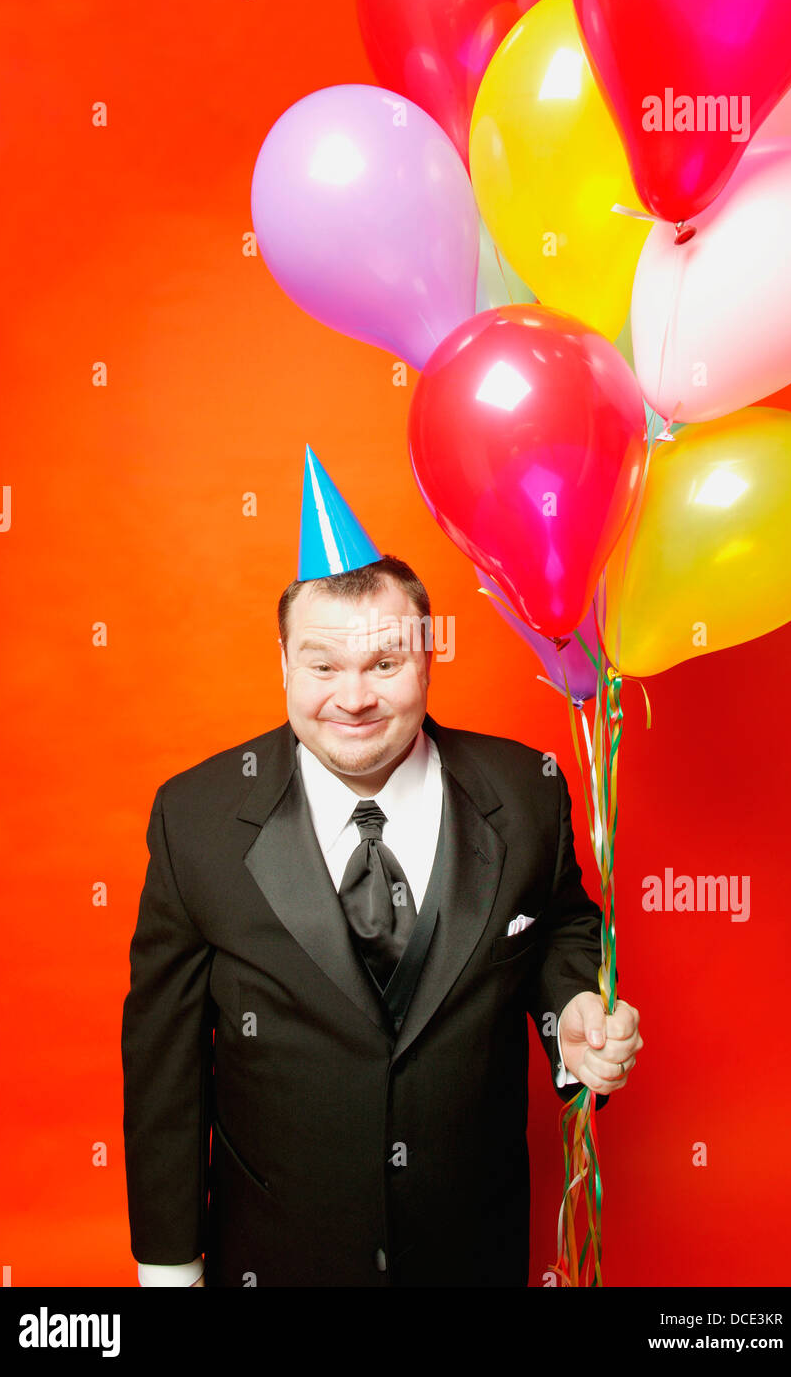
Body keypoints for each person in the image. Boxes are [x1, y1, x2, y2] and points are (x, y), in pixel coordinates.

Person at [121, 449, 642, 1288]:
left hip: (474, 1251)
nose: (353, 697)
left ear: (429, 658)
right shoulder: (197, 818)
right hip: (277, 1260)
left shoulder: (528, 790)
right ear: (284, 666)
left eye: (385, 664)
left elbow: (559, 930)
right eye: (323, 665)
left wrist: (572, 1008)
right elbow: (164, 1069)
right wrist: (170, 1272)